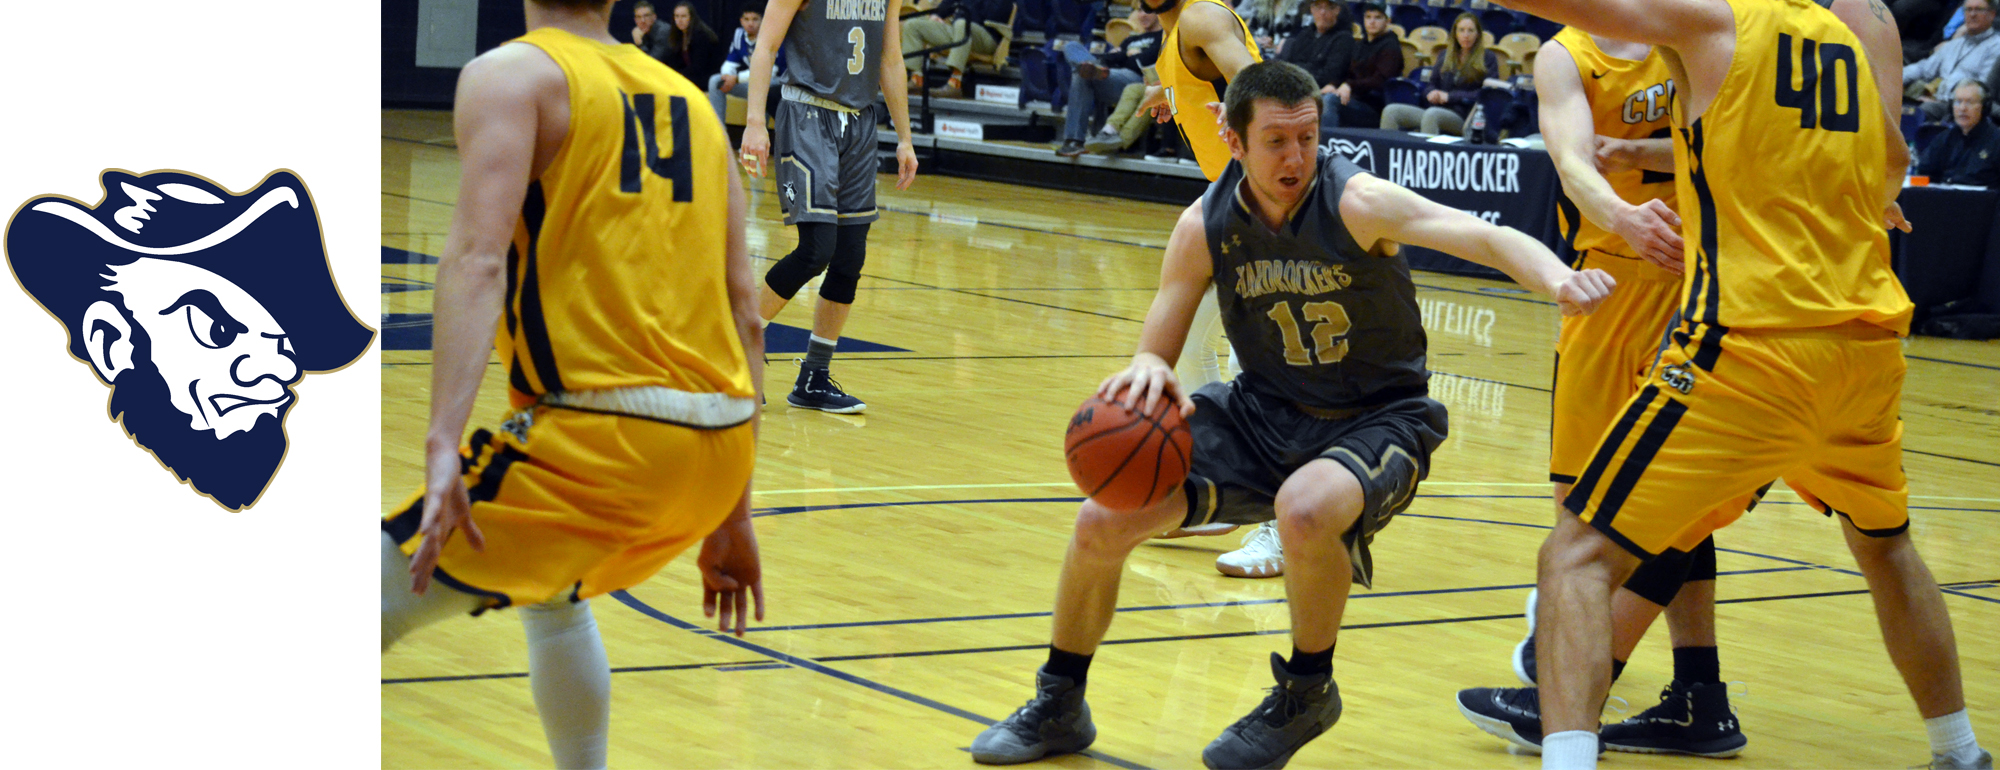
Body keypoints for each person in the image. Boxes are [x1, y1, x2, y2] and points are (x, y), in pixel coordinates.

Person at [967, 60, 1617, 770]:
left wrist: (1560, 279)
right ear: (1234, 140)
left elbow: (1483, 237)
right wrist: (1149, 365)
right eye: (1276, 141)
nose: (1296, 157)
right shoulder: (1204, 224)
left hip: (1380, 418)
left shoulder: (1357, 201)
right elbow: (1157, 346)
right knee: (1101, 520)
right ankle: (1060, 697)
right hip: (1262, 410)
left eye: (1307, 137)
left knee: (1303, 509)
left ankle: (1308, 688)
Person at [1497, 0, 1991, 768]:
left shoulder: (1717, 24)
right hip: (1864, 343)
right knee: (1886, 549)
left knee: (1576, 555)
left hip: (1753, 343)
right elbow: (1891, 165)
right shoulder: (1843, 33)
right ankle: (1959, 753)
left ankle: (1568, 746)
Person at [378, 2, 768, 769]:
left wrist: (441, 442)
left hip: (604, 440)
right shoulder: (692, 101)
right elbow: (747, 315)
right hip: (716, 445)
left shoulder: (513, 74)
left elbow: (478, 260)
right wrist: (734, 510)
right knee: (556, 598)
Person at [1454, 24, 1754, 758]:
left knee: (1672, 504)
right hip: (1606, 286)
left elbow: (1738, 143)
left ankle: (1569, 698)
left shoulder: (1693, 33)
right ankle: (1697, 696)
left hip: (1703, 292)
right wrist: (1621, 209)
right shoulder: (1566, 55)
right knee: (1581, 507)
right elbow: (1569, 161)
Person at [1134, 0, 1282, 571]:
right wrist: (1167, 97)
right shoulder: (1176, 35)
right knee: (1188, 344)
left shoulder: (1199, 16)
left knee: (1258, 361)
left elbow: (1257, 79)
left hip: (1259, 194)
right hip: (1234, 193)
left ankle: (1276, 523)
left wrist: (1245, 110)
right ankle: (1226, 487)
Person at [742, 0, 921, 414]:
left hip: (859, 124)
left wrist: (905, 136)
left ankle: (814, 377)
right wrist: (754, 122)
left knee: (849, 257)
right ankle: (736, 347)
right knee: (816, 249)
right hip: (807, 115)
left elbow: (890, 58)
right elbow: (765, 48)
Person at [1059, 7, 1167, 156]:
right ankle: (1075, 142)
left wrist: (1122, 56)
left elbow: (1143, 61)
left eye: (1147, 11)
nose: (1142, 15)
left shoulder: (1163, 36)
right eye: (1140, 11)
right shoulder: (1131, 39)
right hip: (1110, 76)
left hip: (1136, 81)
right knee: (1072, 48)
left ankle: (1074, 139)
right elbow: (1109, 58)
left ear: (1158, 12)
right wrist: (1126, 56)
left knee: (1082, 74)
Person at [1381, 12, 1500, 135]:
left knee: (1432, 115)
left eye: (1470, 30)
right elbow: (1432, 84)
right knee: (1391, 111)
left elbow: (1487, 94)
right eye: (1461, 30)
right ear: (1455, 33)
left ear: (1478, 34)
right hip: (1435, 110)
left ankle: (1426, 153)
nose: (1466, 35)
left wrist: (1450, 97)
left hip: (1464, 116)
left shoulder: (1487, 57)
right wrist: (1431, 93)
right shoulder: (1445, 55)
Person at [1277, 0, 1377, 132]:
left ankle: (1324, 145)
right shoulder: (1305, 34)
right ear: (1312, 9)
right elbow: (1288, 66)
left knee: (1326, 100)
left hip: (1320, 91)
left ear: (1337, 10)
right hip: (1299, 88)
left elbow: (1330, 75)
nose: (1322, 12)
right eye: (1318, 7)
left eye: (1328, 8)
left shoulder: (1344, 39)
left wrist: (1299, 72)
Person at [1904, 0, 1998, 120]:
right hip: (1936, 102)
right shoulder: (1954, 44)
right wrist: (1894, 80)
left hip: (1964, 107)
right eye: (1968, 9)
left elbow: (1982, 90)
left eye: (1978, 9)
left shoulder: (1996, 48)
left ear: (1992, 14)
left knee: (1921, 111)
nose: (1972, 14)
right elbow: (1923, 68)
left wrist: (1940, 101)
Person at [902, 0, 1011, 99]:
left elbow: (997, 15)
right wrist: (937, 15)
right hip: (960, 30)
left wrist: (964, 11)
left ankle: (955, 84)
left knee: (962, 23)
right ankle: (916, 80)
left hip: (986, 36)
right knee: (912, 25)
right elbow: (948, 4)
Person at [710, 5, 788, 125]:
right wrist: (727, 77)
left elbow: (769, 71)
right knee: (716, 81)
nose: (750, 23)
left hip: (778, 82)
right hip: (753, 81)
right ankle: (719, 132)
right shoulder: (739, 35)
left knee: (764, 86)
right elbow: (730, 63)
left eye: (755, 19)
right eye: (746, 19)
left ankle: (761, 132)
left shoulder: (772, 36)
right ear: (741, 21)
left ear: (763, 20)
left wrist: (736, 79)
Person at [1919, 79, 2000, 185]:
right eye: (1958, 102)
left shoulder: (1996, 141)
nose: (1962, 108)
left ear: (1984, 107)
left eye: (1970, 102)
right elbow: (1924, 174)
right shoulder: (1944, 139)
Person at [1342, 3, 1403, 123]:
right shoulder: (1361, 44)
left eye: (1378, 17)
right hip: (1355, 98)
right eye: (1368, 17)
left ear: (1388, 21)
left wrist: (1349, 85)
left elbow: (1379, 82)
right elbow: (1348, 72)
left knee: (1330, 101)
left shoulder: (1391, 47)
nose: (1372, 21)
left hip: (1373, 106)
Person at [666, 0, 727, 85]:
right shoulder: (678, 35)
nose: (679, 20)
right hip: (692, 77)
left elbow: (698, 68)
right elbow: (674, 62)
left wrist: (676, 75)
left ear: (691, 17)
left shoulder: (701, 36)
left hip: (708, 78)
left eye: (683, 16)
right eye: (676, 16)